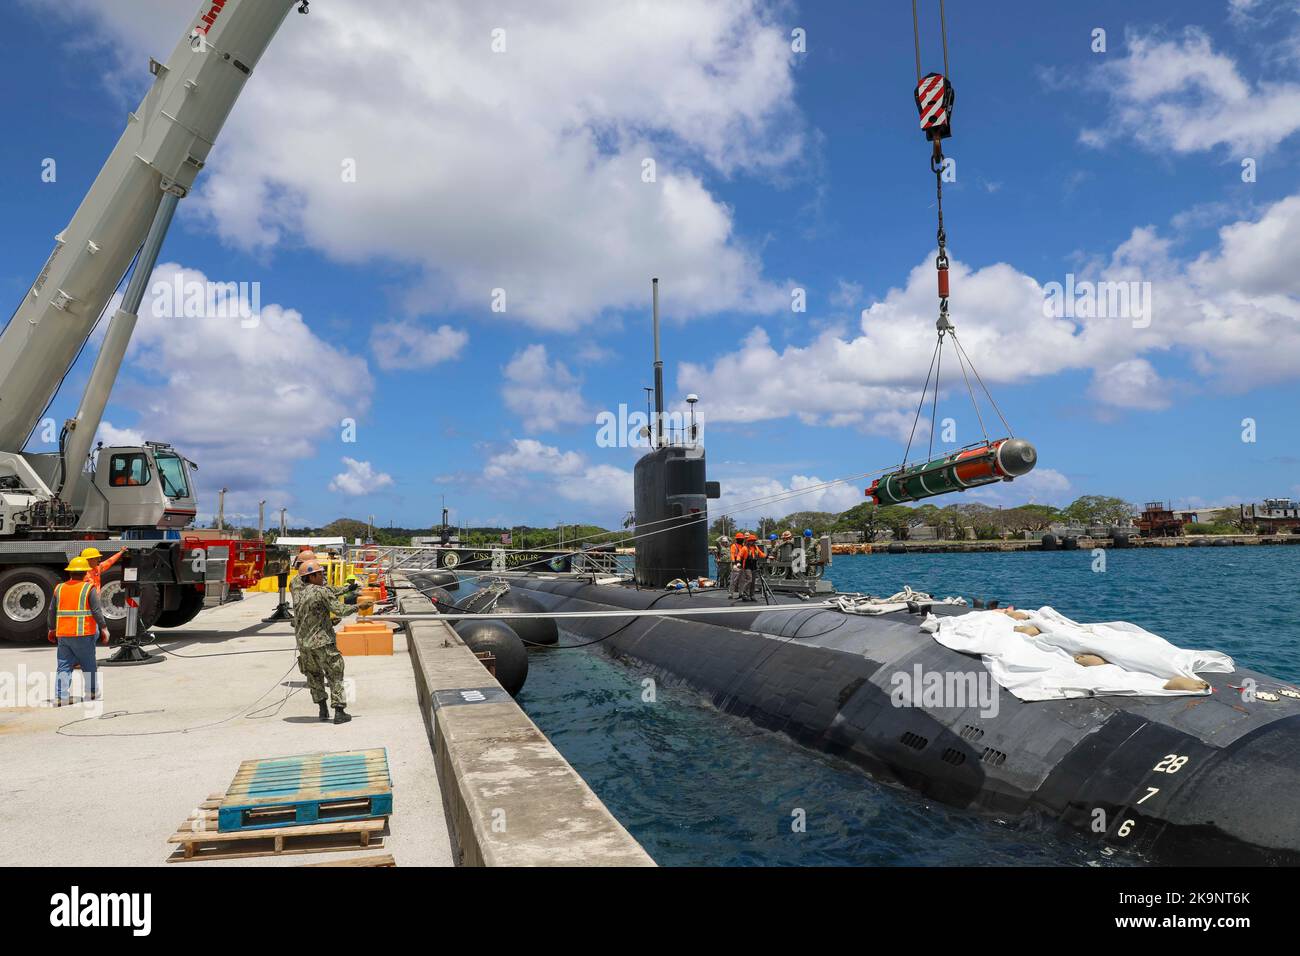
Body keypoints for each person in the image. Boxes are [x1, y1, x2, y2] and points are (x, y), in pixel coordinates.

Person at [293, 559, 356, 723]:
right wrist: (359, 606)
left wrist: (328, 621)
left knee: (314, 676)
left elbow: (307, 617)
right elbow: (340, 610)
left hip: (304, 645)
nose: (323, 577)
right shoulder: (321, 591)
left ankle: (322, 710)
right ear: (312, 576)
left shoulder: (298, 594)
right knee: (335, 673)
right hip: (322, 643)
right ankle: (339, 711)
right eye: (321, 574)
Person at [47, 557, 110, 705]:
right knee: (89, 665)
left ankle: (60, 696)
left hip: (63, 634)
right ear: (84, 573)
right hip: (83, 634)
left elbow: (51, 611)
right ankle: (92, 692)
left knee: (64, 665)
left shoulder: (59, 588)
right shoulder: (89, 588)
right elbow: (96, 610)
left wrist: (51, 629)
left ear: (70, 573)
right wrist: (104, 628)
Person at [742, 533, 766, 601]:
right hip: (747, 566)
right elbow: (739, 555)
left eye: (753, 540)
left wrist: (767, 556)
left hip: (754, 566)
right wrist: (738, 562)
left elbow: (761, 554)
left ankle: (752, 595)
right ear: (748, 541)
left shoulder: (756, 548)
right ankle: (744, 593)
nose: (752, 542)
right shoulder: (745, 548)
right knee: (749, 580)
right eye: (751, 540)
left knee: (753, 582)